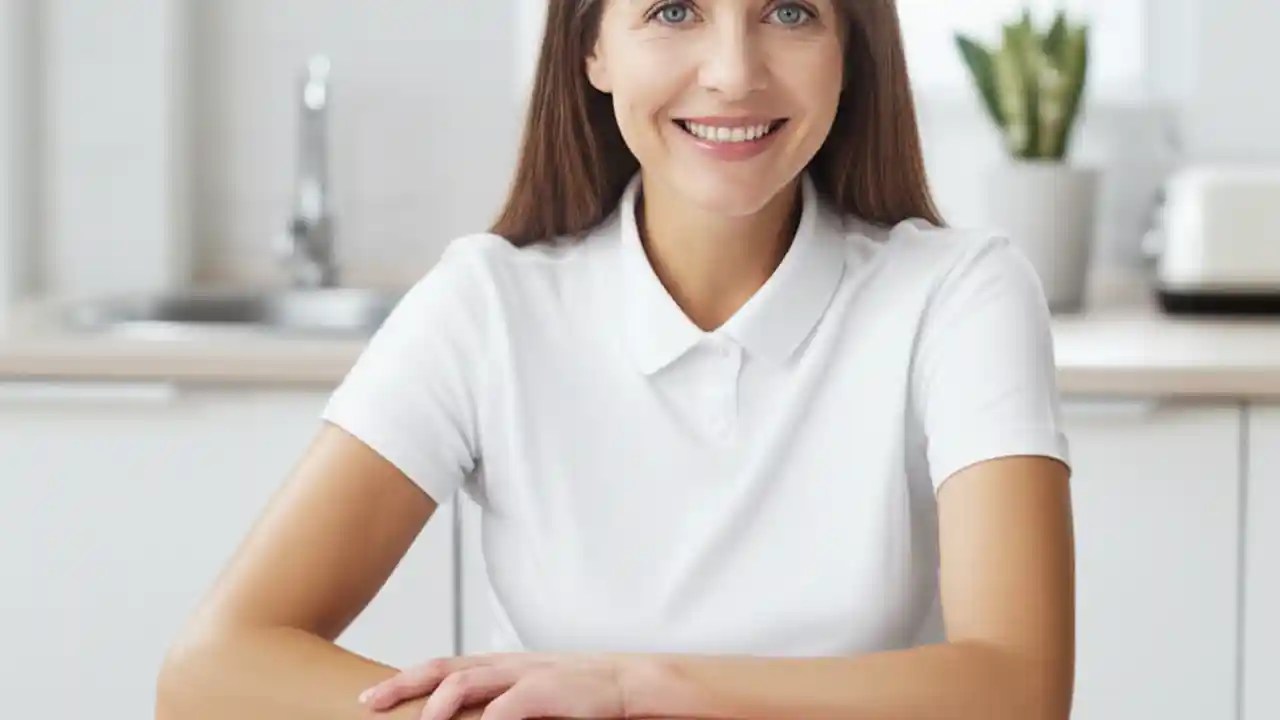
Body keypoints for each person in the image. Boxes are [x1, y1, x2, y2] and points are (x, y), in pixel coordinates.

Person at [157, 1, 1075, 719]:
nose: (732, 72)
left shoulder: (958, 293)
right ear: (591, 48)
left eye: (790, 11)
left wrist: (635, 689)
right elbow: (211, 677)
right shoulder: (488, 307)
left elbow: (1017, 690)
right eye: (674, 10)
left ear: (853, 46)